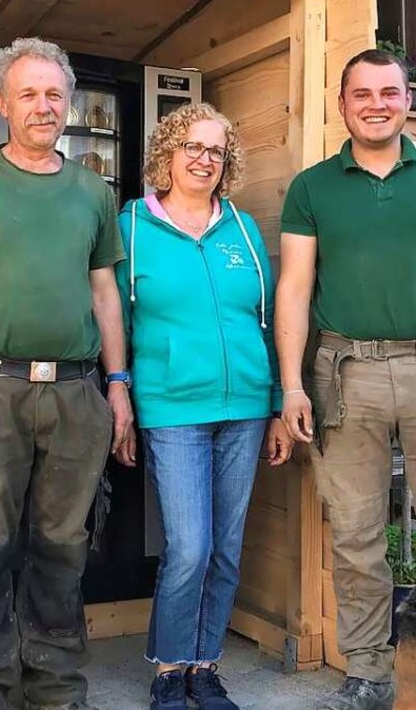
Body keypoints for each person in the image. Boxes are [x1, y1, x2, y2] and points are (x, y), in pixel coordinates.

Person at [274, 49, 416, 710]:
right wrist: (291, 383)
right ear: (342, 104)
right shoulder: (312, 187)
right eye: (361, 93)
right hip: (345, 374)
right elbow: (293, 288)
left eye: (388, 92)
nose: (375, 103)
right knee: (355, 532)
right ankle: (369, 670)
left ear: (407, 101)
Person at [0, 37, 134, 710]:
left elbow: (105, 291)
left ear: (67, 102)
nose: (43, 107)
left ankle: (54, 684)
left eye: (53, 94)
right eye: (28, 94)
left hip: (77, 392)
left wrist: (117, 386)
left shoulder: (91, 190)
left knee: (63, 547)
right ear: (1, 104)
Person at [114, 102, 293, 710]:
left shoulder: (242, 228)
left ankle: (204, 666)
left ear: (227, 162)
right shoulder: (132, 227)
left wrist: (273, 405)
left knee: (225, 545)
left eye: (215, 150)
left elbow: (265, 322)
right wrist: (120, 393)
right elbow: (114, 317)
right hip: (172, 409)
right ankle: (169, 669)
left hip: (243, 407)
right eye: (192, 146)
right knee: (189, 546)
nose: (203, 159)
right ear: (167, 153)